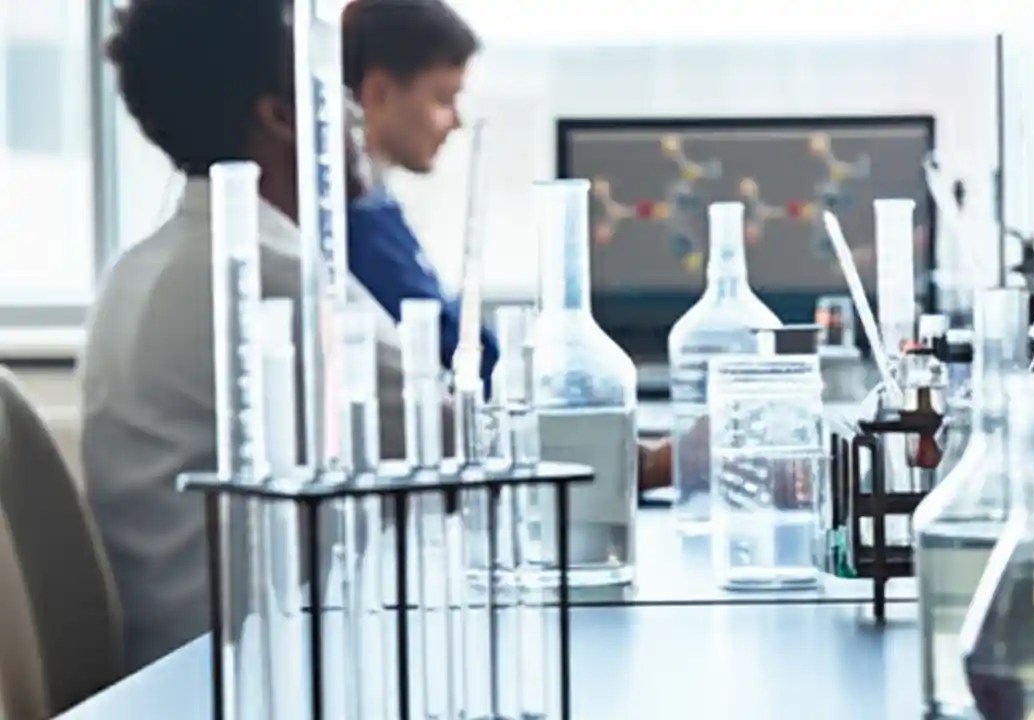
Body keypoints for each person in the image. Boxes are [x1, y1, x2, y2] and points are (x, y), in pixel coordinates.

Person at [82, 0, 669, 672]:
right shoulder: (261, 274)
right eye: (331, 90)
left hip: (230, 648)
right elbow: (458, 440)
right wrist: (664, 458)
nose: (356, 114)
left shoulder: (155, 262)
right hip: (240, 669)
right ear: (281, 116)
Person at [340, 0, 498, 386]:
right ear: (377, 92)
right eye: (443, 99)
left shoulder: (376, 202)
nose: (456, 122)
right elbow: (450, 349)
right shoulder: (358, 219)